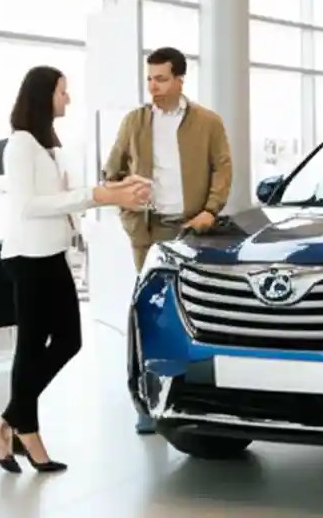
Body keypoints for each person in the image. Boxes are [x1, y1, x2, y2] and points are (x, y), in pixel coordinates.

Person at [0, 66, 150, 474]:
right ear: (44, 95)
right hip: (28, 256)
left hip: (52, 253)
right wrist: (98, 196)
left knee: (68, 340)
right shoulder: (20, 145)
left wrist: (113, 191)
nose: (68, 98)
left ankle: (8, 423)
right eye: (62, 91)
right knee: (32, 346)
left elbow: (66, 195)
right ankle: (25, 431)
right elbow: (29, 205)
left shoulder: (47, 145)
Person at [104, 47, 233, 435]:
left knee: (199, 313)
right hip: (149, 232)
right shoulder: (135, 122)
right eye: (149, 79)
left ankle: (203, 394)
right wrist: (127, 208)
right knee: (149, 316)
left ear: (179, 80)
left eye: (160, 79)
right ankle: (146, 400)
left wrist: (210, 210)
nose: (153, 86)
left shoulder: (207, 122)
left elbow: (222, 167)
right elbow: (112, 171)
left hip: (195, 231)